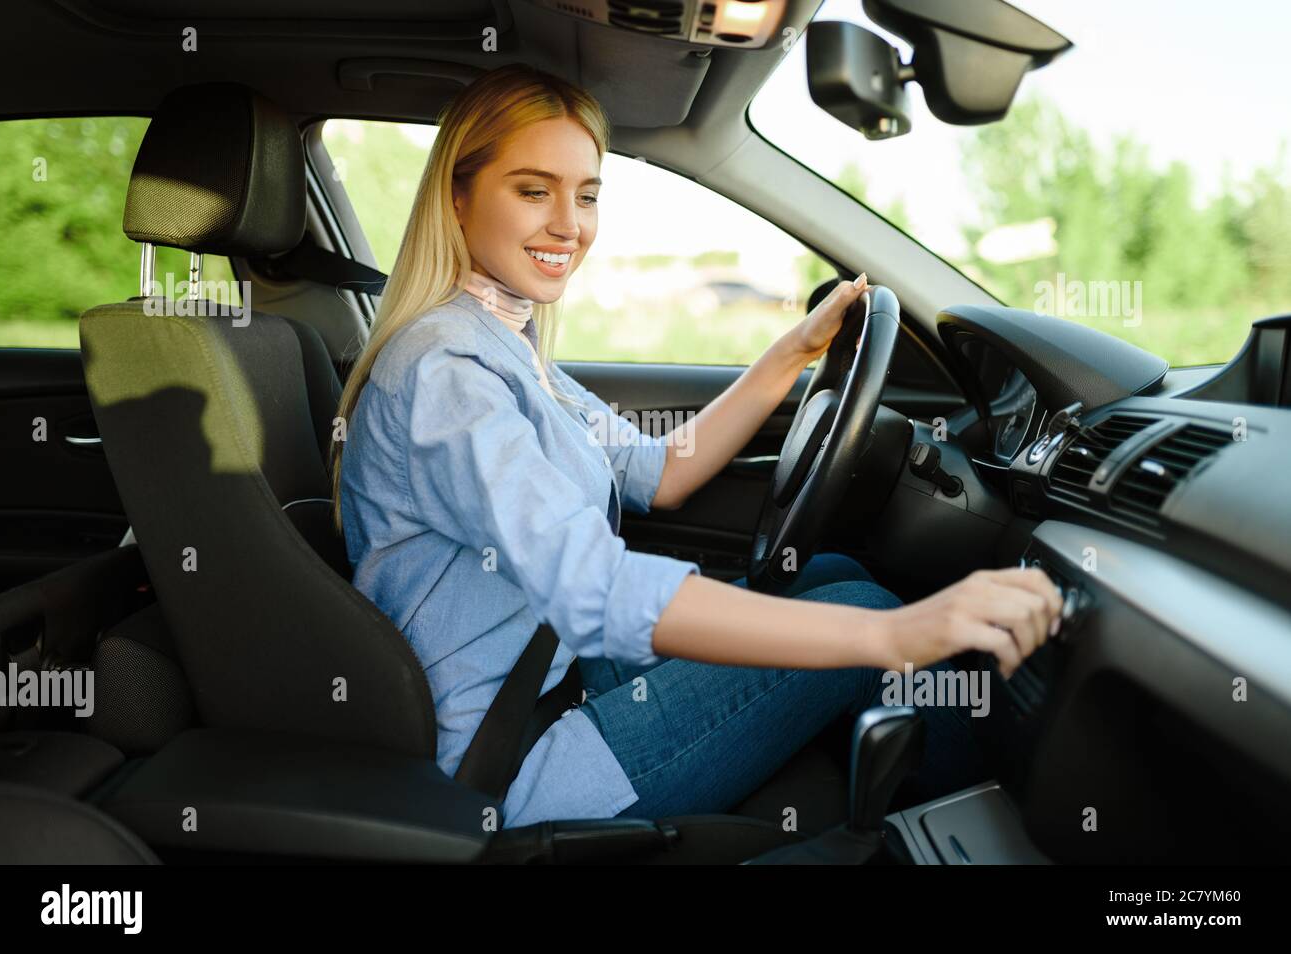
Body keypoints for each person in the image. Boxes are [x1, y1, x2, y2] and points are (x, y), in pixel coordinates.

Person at [331, 63, 1061, 829]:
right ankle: (990, 828)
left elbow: (659, 471)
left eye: (586, 195)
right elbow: (591, 586)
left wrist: (795, 351)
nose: (569, 225)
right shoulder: (447, 371)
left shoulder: (507, 347)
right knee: (865, 611)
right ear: (458, 194)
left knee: (833, 571)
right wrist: (893, 634)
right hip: (511, 757)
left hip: (556, 673)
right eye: (533, 190)